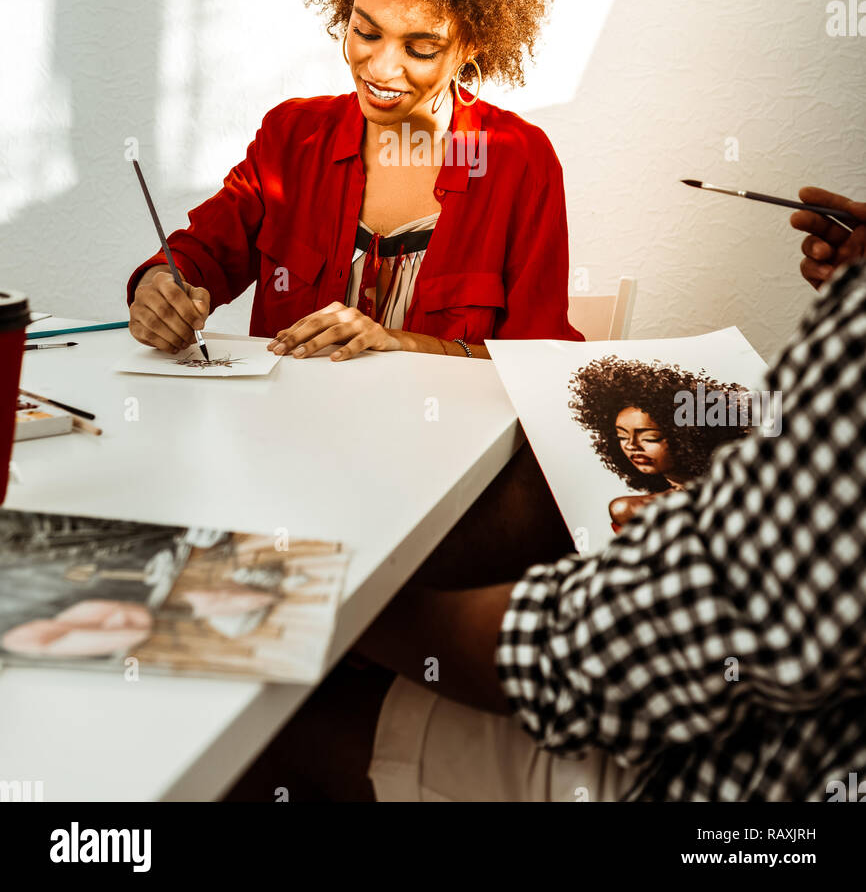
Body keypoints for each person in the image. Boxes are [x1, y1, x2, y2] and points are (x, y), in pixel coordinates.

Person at [244, 205, 866, 803]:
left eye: (647, 436)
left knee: (269, 721)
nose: (637, 451)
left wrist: (335, 606)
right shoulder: (296, 133)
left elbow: (593, 652)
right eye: (624, 441)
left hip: (725, 771)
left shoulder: (516, 154)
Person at [126, 0, 582, 362]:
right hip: (288, 433)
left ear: (471, 46)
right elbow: (201, 254)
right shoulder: (291, 136)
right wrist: (160, 285)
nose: (381, 68)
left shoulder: (518, 160)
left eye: (420, 48)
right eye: (366, 32)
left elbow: (541, 364)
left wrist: (403, 344)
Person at [567, 357, 750, 533]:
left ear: (689, 436)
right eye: (622, 436)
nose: (632, 445)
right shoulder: (632, 509)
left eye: (650, 437)